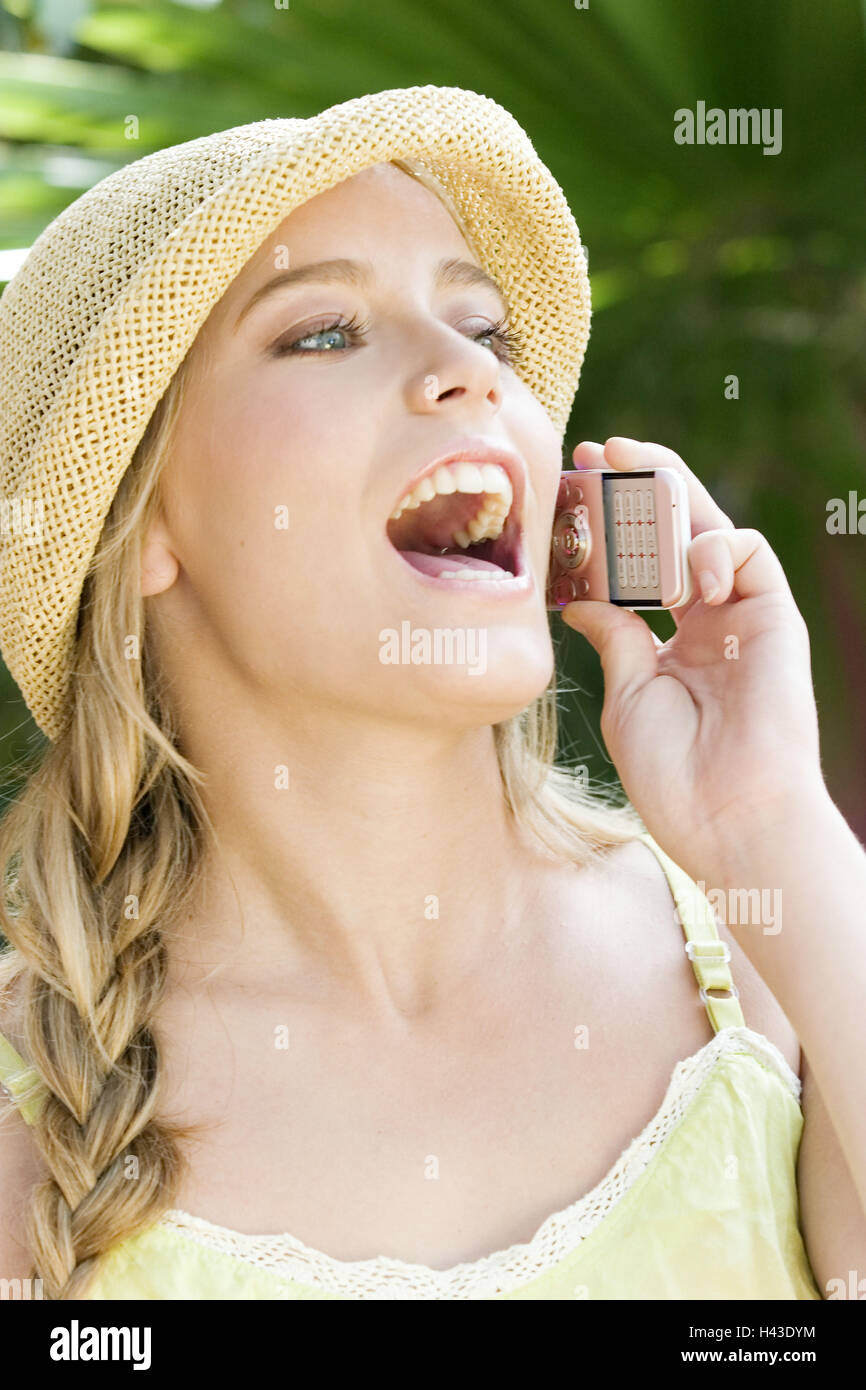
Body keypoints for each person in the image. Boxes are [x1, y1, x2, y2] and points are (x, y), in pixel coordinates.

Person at [0, 86, 863, 1301]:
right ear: (138, 528)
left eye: (484, 331)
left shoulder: (764, 959)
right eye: (323, 332)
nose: (467, 371)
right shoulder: (32, 1125)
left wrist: (770, 818)